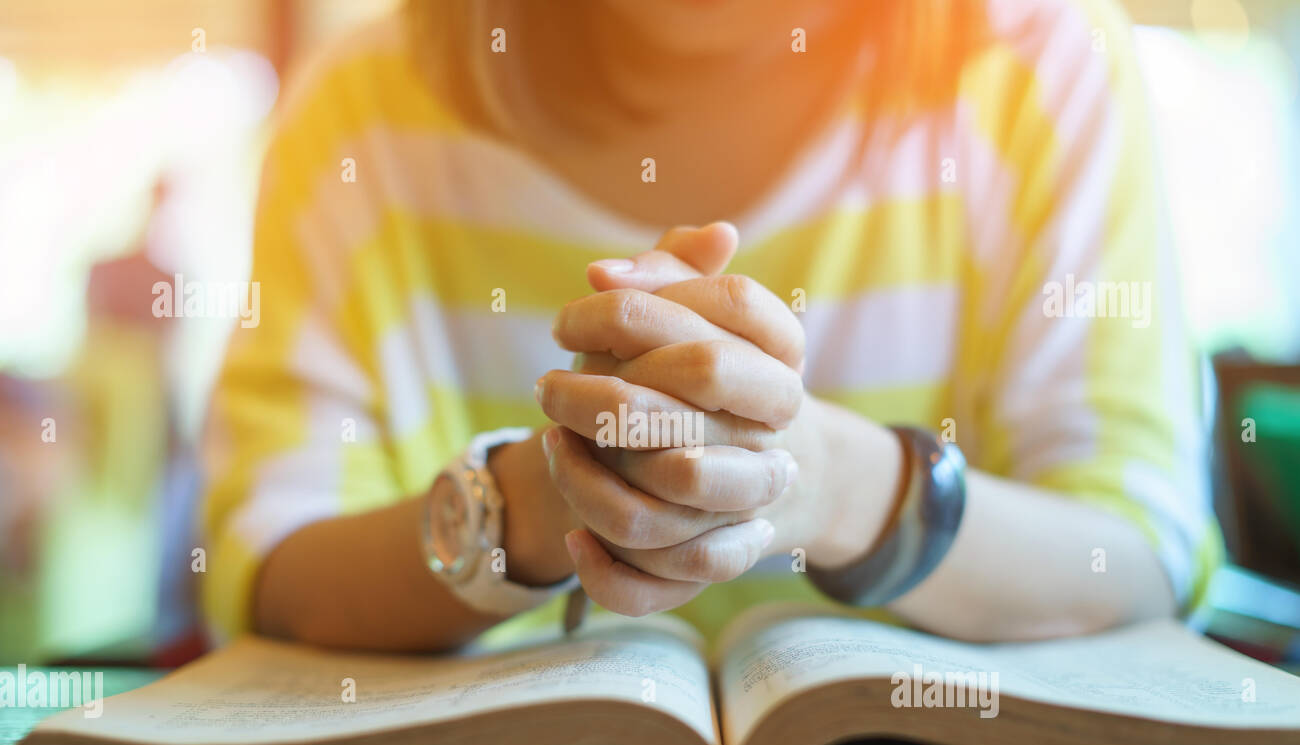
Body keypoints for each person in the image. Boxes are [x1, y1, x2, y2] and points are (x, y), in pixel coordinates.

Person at [200, 0, 1220, 652]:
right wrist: (544, 492)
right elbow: (268, 564)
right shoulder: (359, 115)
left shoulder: (1039, 66)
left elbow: (1135, 548)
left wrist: (831, 481)